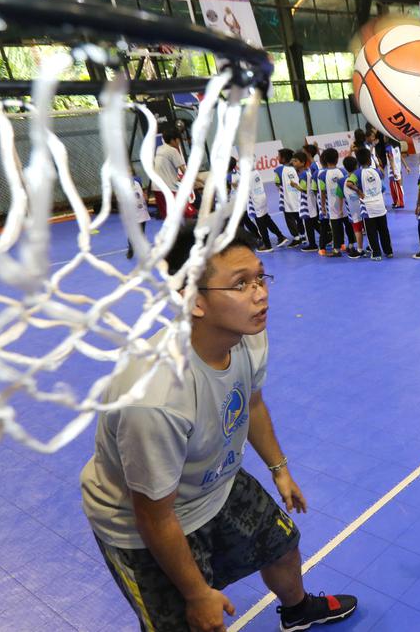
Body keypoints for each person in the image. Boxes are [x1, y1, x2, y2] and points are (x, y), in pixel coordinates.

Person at [80, 227, 357, 632]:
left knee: (282, 547)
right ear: (193, 300)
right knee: (193, 625)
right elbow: (154, 516)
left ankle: (297, 611)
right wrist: (196, 594)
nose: (260, 293)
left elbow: (252, 401)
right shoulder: (157, 398)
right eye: (240, 284)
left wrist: (279, 468)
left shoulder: (248, 336)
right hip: (145, 521)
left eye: (261, 277)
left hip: (215, 483)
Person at [347, 148, 393, 261]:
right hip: (380, 206)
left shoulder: (357, 173)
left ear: (358, 161)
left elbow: (349, 183)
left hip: (368, 208)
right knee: (384, 230)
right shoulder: (376, 171)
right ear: (369, 159)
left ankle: (376, 253)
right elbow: (382, 185)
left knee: (371, 232)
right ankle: (388, 251)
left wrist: (359, 191)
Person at [320, 149, 345, 258]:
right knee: (347, 226)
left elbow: (322, 192)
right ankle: (351, 245)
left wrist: (322, 206)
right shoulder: (342, 172)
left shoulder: (322, 175)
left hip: (332, 205)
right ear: (337, 158)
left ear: (324, 160)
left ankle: (336, 249)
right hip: (344, 204)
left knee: (335, 227)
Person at [340, 154, 364, 258]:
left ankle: (359, 249)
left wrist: (341, 209)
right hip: (366, 209)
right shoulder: (360, 177)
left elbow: (340, 195)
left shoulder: (341, 181)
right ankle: (373, 246)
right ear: (356, 166)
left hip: (353, 211)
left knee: (357, 230)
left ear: (345, 168)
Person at [126, 174, 149, 260]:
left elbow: (143, 191)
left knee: (142, 232)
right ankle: (131, 249)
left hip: (142, 210)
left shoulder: (137, 180)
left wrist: (145, 194)